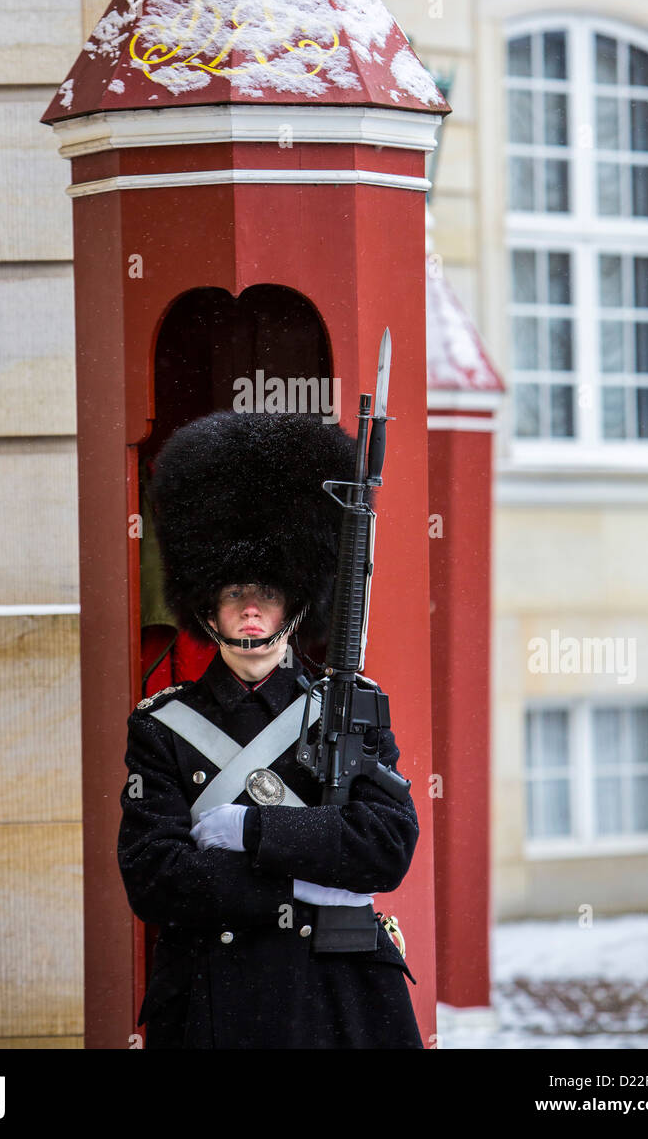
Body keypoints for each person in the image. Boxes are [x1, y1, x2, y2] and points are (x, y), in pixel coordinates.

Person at [117, 409, 423, 1050]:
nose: (251, 609)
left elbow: (387, 845)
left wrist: (252, 832)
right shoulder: (163, 727)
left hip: (334, 998)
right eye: (233, 592)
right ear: (207, 605)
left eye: (268, 592)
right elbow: (155, 878)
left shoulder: (351, 707)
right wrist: (305, 878)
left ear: (296, 602)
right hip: (213, 997)